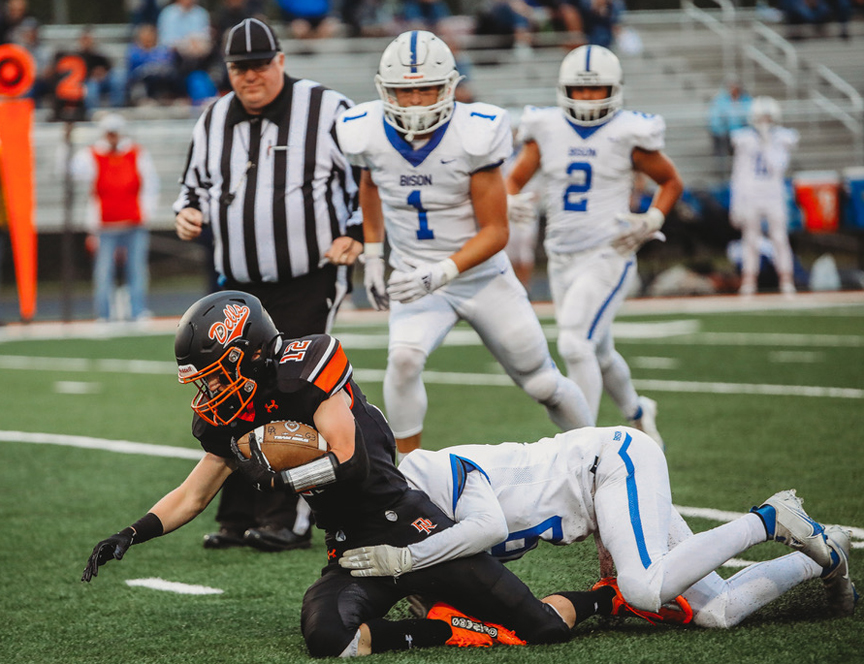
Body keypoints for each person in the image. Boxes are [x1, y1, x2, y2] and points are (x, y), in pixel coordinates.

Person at [81, 291, 625, 657]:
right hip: (352, 547)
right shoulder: (232, 417)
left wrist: (280, 479)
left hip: (412, 525)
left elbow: (350, 460)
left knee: (541, 630)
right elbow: (193, 495)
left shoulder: (305, 365)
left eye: (213, 374)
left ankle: (606, 598)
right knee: (326, 637)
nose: (208, 390)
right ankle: (439, 626)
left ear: (244, 355)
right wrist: (131, 533)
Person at [336, 30, 594, 458]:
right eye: (404, 92)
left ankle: (600, 459)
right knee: (402, 361)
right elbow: (370, 184)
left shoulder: (474, 133)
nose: (416, 102)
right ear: (386, 91)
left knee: (542, 382)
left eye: (426, 90)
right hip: (412, 274)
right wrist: (375, 255)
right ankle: (409, 476)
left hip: (480, 277)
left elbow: (496, 231)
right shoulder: (367, 133)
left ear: (449, 87)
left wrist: (439, 272)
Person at [173, 18, 364, 553]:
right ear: (228, 69)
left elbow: (363, 182)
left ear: (280, 61)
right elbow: (191, 188)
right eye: (240, 67)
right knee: (228, 392)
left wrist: (356, 233)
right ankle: (236, 516)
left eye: (260, 64)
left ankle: (288, 516)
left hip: (307, 276)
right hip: (236, 288)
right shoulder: (213, 118)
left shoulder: (327, 109)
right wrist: (186, 212)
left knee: (291, 387)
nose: (251, 75)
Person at [342, 427, 858, 624]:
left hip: (609, 463)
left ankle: (770, 519)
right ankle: (821, 554)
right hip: (601, 499)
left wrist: (408, 559)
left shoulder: (427, 470)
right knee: (716, 611)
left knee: (644, 587)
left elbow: (488, 528)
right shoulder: (394, 507)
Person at [504, 45, 683, 447]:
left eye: (596, 89)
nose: (586, 98)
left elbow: (671, 181)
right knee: (599, 352)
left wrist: (653, 219)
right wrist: (511, 200)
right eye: (579, 90)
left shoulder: (629, 132)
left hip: (610, 251)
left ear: (614, 90)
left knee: (573, 342)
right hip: (562, 256)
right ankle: (638, 411)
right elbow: (513, 180)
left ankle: (585, 446)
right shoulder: (546, 127)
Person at [61, 113, 158, 322]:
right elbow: (68, 170)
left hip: (134, 221)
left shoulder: (136, 153)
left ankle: (137, 311)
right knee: (103, 272)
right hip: (105, 225)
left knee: (137, 270)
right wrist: (66, 144)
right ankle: (103, 314)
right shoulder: (92, 154)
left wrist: (147, 212)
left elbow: (150, 184)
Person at [729, 96, 799, 297]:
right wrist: (737, 202)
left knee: (779, 237)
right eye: (761, 117)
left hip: (773, 193)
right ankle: (749, 280)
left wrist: (767, 142)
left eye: (767, 117)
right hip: (751, 193)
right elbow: (739, 173)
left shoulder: (782, 137)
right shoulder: (744, 137)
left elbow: (778, 166)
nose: (764, 122)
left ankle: (786, 279)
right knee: (750, 238)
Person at [708, 76, 752, 169]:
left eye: (735, 86)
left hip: (742, 132)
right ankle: (722, 169)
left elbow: (750, 116)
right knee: (721, 140)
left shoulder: (747, 100)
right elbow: (715, 118)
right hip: (726, 132)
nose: (733, 89)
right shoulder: (720, 100)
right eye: (731, 87)